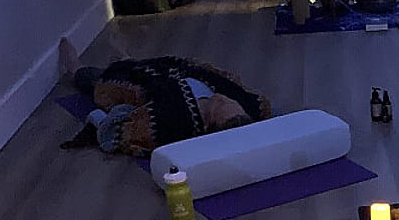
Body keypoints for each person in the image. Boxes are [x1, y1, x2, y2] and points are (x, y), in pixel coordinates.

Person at [59, 39, 271, 157]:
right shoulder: (247, 109)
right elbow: (260, 105)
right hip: (167, 70)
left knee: (102, 81)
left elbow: (116, 130)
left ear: (210, 122)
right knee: (137, 66)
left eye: (221, 105)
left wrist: (96, 117)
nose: (223, 98)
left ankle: (75, 67)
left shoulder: (174, 120)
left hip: (142, 86)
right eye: (228, 102)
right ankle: (125, 58)